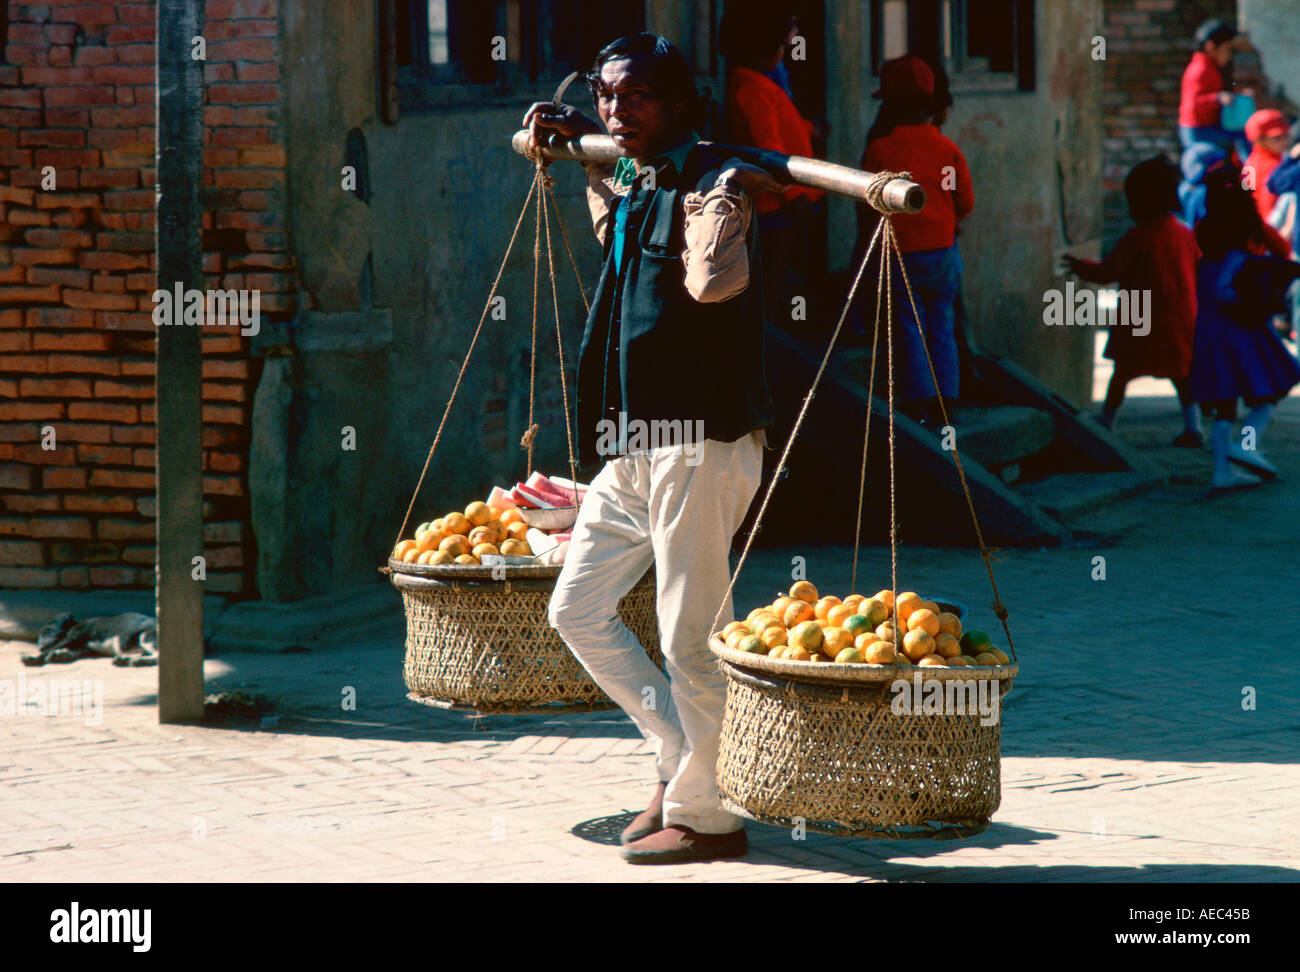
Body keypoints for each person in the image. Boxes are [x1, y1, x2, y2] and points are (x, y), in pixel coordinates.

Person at [523, 33, 781, 865]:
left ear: (677, 104)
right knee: (577, 607)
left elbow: (712, 285)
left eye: (634, 97)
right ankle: (680, 762)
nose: (615, 110)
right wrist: (576, 141)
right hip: (631, 442)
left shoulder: (712, 183)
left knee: (690, 636)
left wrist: (725, 200)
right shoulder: (635, 179)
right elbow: (614, 212)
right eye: (605, 96)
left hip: (700, 442)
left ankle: (711, 816)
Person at [859, 54, 973, 424]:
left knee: (908, 325)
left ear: (888, 105)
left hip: (900, 253)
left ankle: (919, 401)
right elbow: (963, 202)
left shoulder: (880, 150)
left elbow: (868, 204)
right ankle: (949, 399)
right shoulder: (948, 150)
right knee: (942, 322)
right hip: (943, 252)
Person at [1065, 156, 1202, 444]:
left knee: (1123, 372)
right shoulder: (1184, 235)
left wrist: (1078, 266)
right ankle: (1194, 428)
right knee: (1183, 375)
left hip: (1139, 318)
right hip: (1179, 318)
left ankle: (1106, 421)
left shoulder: (1136, 238)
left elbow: (1108, 272)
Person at [1186, 171, 1300, 490]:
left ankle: (1222, 470)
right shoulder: (1237, 258)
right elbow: (1226, 291)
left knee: (1225, 404)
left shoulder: (1205, 256)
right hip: (1239, 333)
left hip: (1210, 332)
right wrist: (1254, 300)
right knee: (1269, 390)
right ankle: (1247, 445)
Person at [719, 5, 826, 330]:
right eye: (781, 45)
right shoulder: (754, 88)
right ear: (764, 48)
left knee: (774, 278)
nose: (787, 50)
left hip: (778, 204)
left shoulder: (754, 83)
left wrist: (805, 129)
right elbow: (771, 152)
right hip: (776, 206)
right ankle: (765, 345)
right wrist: (797, 198)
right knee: (771, 281)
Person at [1178, 18, 1249, 157]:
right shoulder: (1200, 70)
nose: (1229, 56)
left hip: (1209, 126)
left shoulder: (1210, 67)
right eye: (1227, 49)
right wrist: (1218, 97)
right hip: (1198, 130)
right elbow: (1193, 104)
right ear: (1210, 47)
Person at [1243, 109, 1291, 224]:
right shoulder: (1272, 166)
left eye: (1285, 135)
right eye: (1277, 138)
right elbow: (1267, 204)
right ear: (1259, 140)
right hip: (1272, 223)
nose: (1284, 141)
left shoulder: (1249, 162)